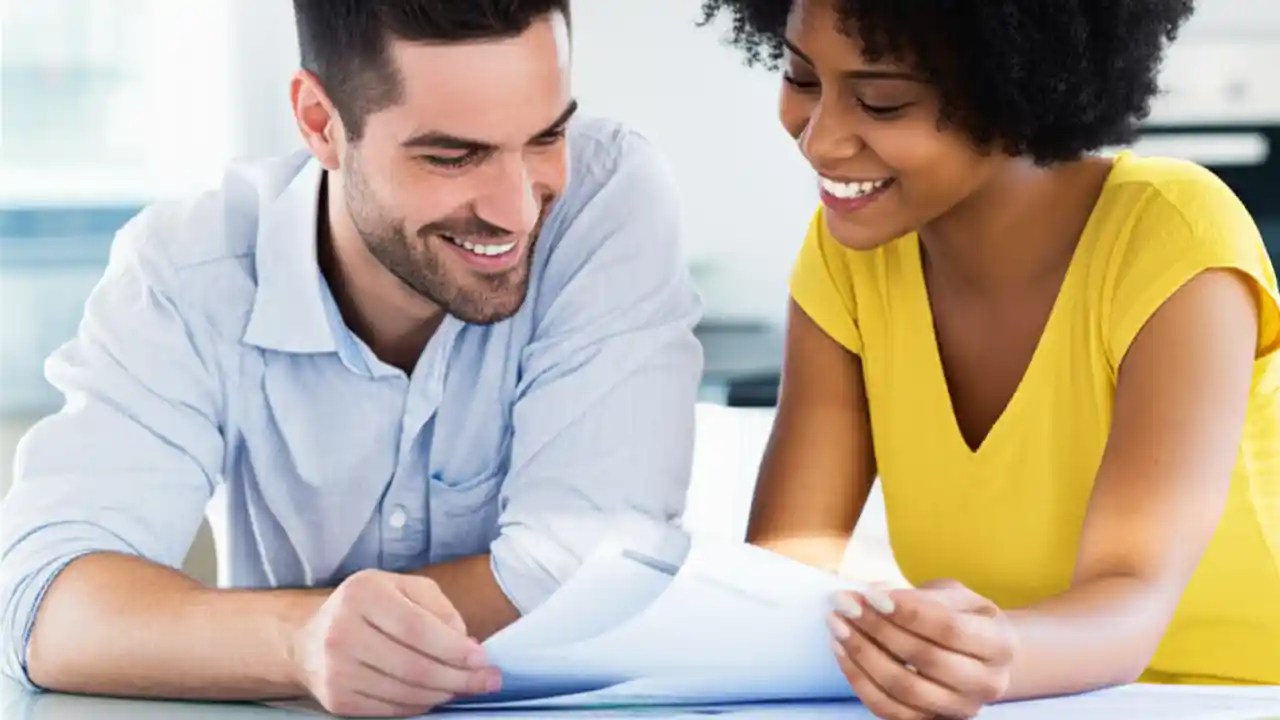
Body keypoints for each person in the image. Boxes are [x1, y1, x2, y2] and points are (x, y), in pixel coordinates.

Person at [0, 1, 703, 716]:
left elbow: (593, 578)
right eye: (452, 156)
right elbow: (46, 605)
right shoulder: (190, 271)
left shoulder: (606, 196)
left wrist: (218, 639)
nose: (517, 210)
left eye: (546, 137)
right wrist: (298, 642)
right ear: (319, 122)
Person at [700, 0, 1280, 717]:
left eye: (883, 102)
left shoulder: (1172, 235)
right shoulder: (849, 258)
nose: (820, 142)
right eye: (802, 78)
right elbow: (779, 579)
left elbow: (1133, 595)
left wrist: (992, 650)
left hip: (1240, 695)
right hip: (1021, 701)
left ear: (1014, 86)